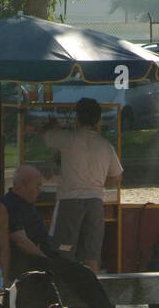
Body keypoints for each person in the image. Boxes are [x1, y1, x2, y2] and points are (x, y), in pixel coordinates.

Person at [2, 163, 127, 308]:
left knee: (83, 272)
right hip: (30, 260)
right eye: (37, 185)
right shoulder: (10, 205)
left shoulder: (26, 203)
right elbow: (21, 240)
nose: (40, 190)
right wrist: (46, 257)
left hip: (44, 255)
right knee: (81, 275)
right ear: (23, 184)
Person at [42, 97, 122, 273]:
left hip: (69, 202)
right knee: (92, 254)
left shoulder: (66, 139)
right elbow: (117, 176)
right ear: (98, 120)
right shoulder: (105, 145)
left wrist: (52, 125)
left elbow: (46, 137)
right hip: (95, 202)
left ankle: (65, 290)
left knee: (64, 251)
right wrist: (99, 184)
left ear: (77, 117)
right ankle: (92, 290)